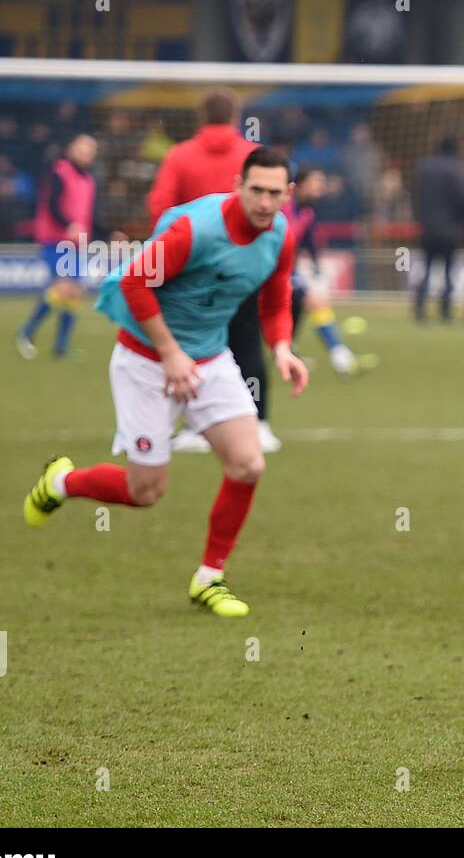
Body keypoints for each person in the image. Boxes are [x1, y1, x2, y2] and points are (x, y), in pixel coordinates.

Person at [21, 147, 308, 618]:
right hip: (144, 359)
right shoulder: (196, 229)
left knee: (248, 464)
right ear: (238, 183)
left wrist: (281, 348)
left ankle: (209, 578)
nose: (263, 201)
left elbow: (276, 298)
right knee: (145, 492)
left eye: (274, 193)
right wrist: (170, 353)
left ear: (287, 194)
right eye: (255, 189)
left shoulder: (280, 235)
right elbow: (135, 282)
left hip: (210, 358)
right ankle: (62, 482)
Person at [148, 89, 283, 453]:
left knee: (192, 342)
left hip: (191, 268)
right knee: (247, 341)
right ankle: (262, 423)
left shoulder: (180, 156)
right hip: (245, 263)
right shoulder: (250, 156)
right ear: (235, 116)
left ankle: (195, 425)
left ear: (200, 116)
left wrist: (171, 249)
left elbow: (159, 205)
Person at [16, 134, 106, 360]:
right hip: (54, 240)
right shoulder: (59, 171)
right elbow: (53, 204)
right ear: (71, 149)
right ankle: (26, 331)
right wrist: (68, 225)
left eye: (90, 151)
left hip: (76, 243)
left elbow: (90, 216)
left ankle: (61, 347)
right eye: (82, 149)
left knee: (75, 292)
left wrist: (110, 233)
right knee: (67, 287)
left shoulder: (90, 181)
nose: (86, 154)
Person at [286, 165, 363, 376]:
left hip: (285, 270)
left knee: (303, 304)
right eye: (317, 181)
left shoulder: (307, 212)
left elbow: (307, 242)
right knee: (309, 301)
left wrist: (315, 264)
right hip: (267, 270)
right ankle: (340, 355)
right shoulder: (283, 205)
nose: (321, 187)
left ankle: (289, 351)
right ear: (300, 185)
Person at [411, 136, 464, 322]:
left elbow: (415, 196)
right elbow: (462, 198)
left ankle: (419, 307)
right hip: (450, 228)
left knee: (426, 268)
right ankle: (445, 310)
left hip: (427, 227)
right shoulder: (456, 168)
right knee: (448, 271)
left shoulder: (424, 167)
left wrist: (421, 218)